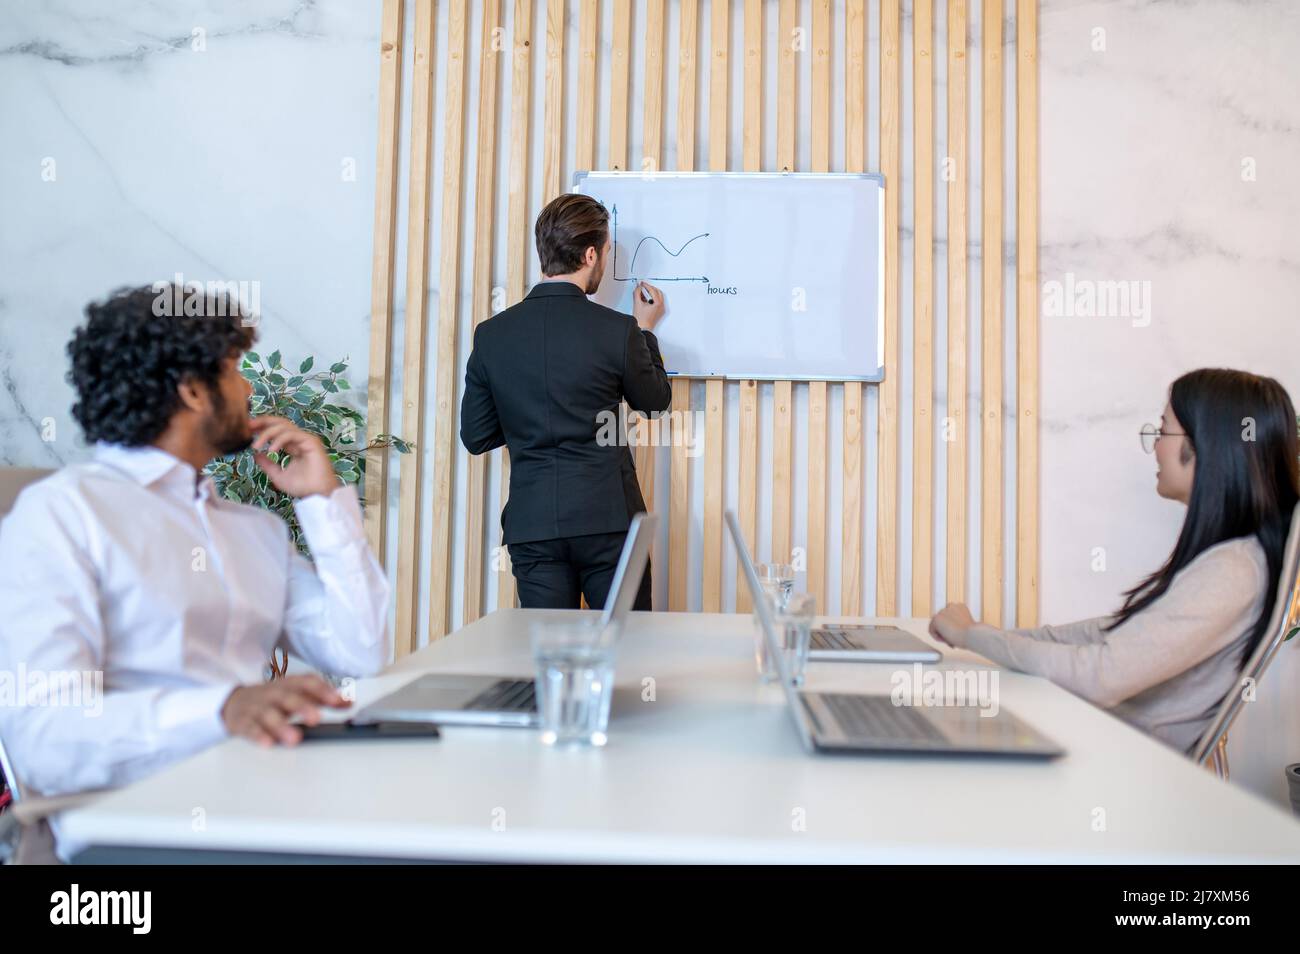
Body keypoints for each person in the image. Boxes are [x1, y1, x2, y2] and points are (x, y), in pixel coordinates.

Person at [0, 285, 389, 856]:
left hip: (259, 795)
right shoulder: (63, 512)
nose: (250, 388)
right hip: (132, 826)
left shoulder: (253, 529)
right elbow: (44, 740)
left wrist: (323, 501)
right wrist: (222, 709)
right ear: (192, 390)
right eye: (234, 369)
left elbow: (361, 653)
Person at [930, 368, 1299, 754]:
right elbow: (1108, 635)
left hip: (1116, 762)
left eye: (1163, 430)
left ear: (1205, 445)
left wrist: (972, 636)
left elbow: (1102, 673)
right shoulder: (1231, 561)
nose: (1155, 445)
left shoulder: (1233, 572)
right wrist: (983, 635)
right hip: (1103, 743)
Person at [460, 193, 672, 610]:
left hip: (533, 526)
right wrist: (646, 332)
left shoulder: (492, 334)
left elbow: (477, 436)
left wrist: (532, 417)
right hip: (608, 522)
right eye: (608, 252)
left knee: (549, 661)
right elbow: (654, 403)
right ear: (591, 254)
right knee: (628, 655)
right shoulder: (618, 330)